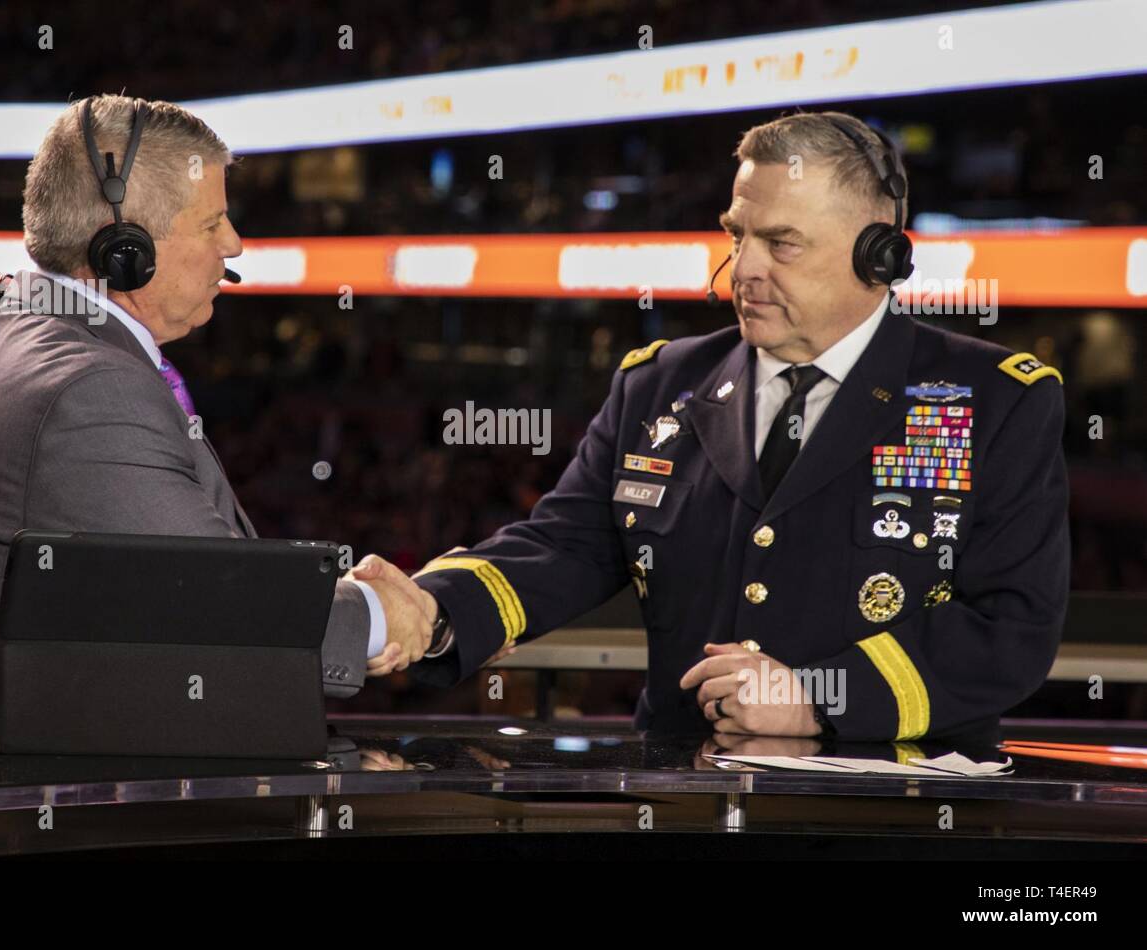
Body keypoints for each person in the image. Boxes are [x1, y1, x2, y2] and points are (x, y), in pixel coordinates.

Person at [355, 111, 1069, 741]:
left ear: (879, 256)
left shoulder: (997, 402)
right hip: (683, 804)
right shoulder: (658, 384)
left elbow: (1011, 627)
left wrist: (819, 698)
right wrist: (432, 610)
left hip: (896, 810)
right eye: (737, 234)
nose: (741, 269)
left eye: (782, 244)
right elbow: (563, 547)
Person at [0, 94, 432, 731]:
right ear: (126, 249)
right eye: (212, 223)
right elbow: (220, 602)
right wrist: (381, 614)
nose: (234, 244)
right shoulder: (89, 385)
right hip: (49, 814)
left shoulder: (33, 336)